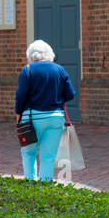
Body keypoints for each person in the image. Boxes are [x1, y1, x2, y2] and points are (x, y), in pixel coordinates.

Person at [15, 40, 75, 181]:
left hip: (31, 117)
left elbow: (21, 95)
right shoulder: (59, 70)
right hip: (55, 117)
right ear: (50, 54)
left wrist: (18, 114)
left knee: (29, 153)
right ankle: (45, 188)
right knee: (48, 156)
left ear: (30, 55)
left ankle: (30, 183)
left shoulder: (28, 70)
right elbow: (70, 94)